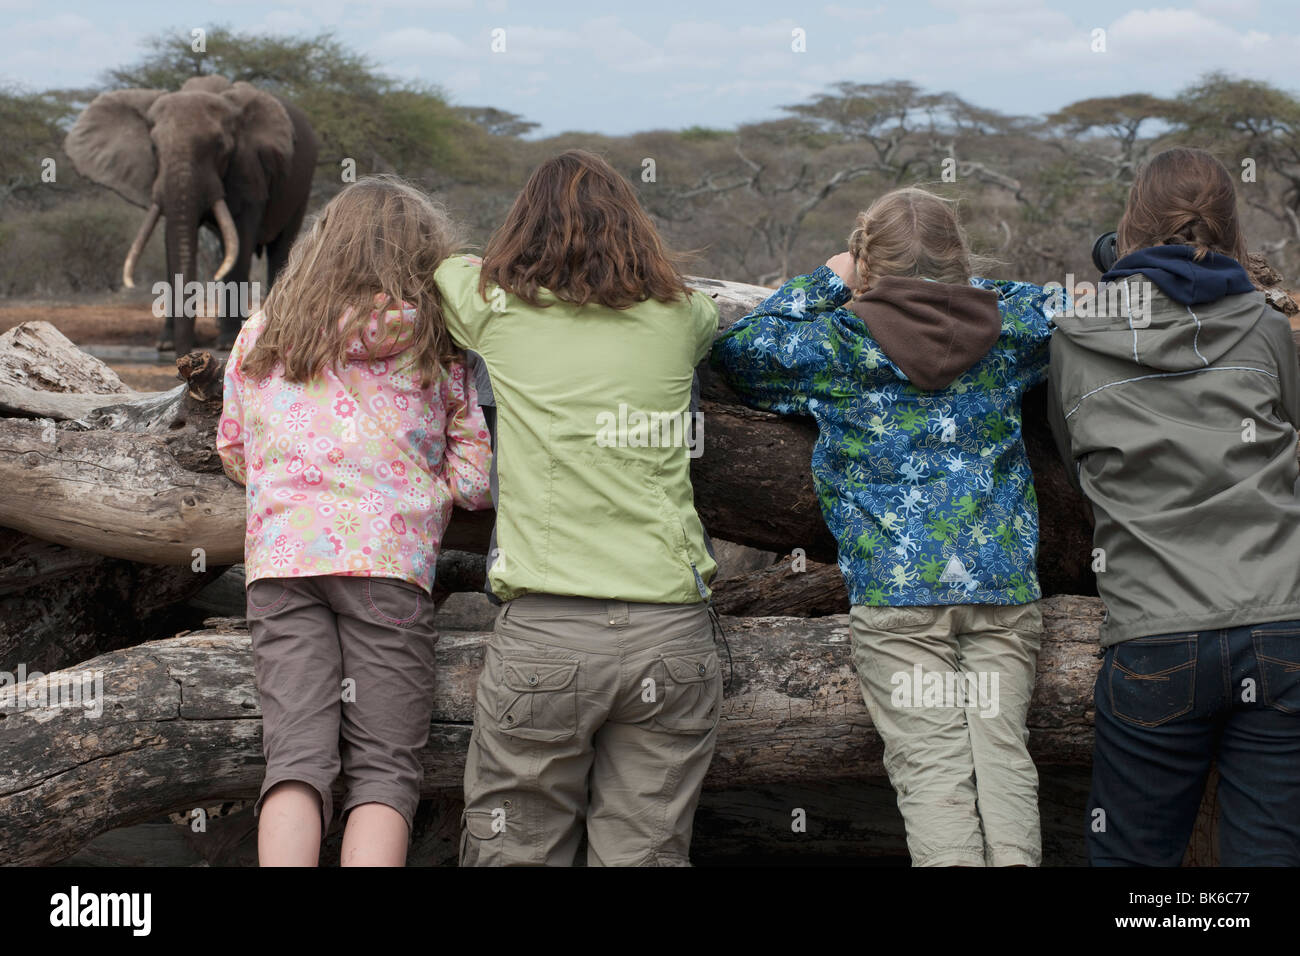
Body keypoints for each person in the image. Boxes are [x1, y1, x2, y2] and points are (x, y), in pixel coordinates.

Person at [713, 186, 1055, 866]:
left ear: (867, 264)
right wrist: (959, 284)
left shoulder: (838, 343)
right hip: (1002, 593)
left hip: (899, 600)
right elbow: (1060, 305)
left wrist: (831, 278)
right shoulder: (1009, 331)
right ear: (959, 262)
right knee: (1004, 765)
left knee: (935, 776)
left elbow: (742, 350)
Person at [437, 149, 722, 867]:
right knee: (648, 850)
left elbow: (440, 264)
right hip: (671, 630)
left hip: (547, 633)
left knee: (515, 848)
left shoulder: (496, 313)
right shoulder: (683, 316)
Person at [216, 176, 493, 866]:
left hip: (281, 567)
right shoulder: (435, 344)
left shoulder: (265, 332)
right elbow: (477, 481)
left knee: (296, 762)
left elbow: (233, 448)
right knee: (383, 773)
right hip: (387, 568)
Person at [1047, 146, 1300, 866]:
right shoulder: (1264, 325)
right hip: (1281, 623)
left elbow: (1076, 462)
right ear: (1231, 228)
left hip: (1154, 631)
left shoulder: (1076, 337)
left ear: (1130, 223)